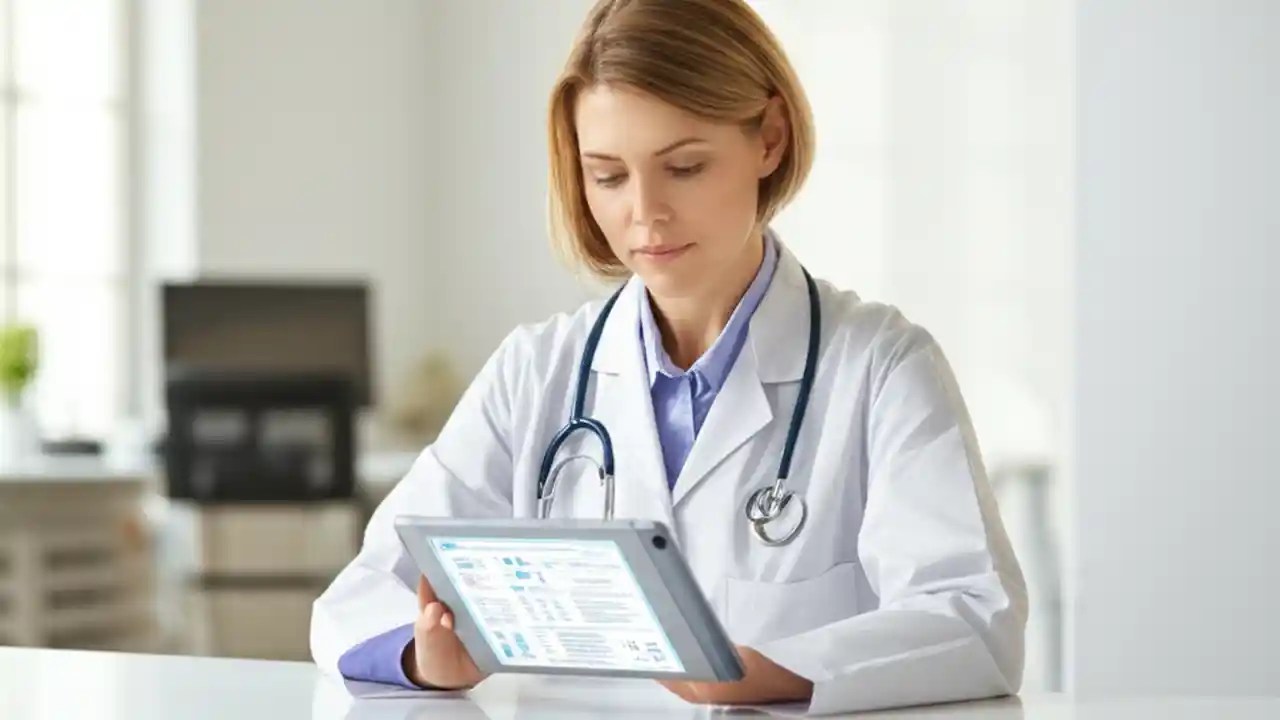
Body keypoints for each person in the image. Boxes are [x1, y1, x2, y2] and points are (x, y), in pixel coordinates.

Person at [312, 0, 1026, 712]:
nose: (644, 214)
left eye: (683, 166)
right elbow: (363, 594)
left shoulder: (880, 368)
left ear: (769, 139)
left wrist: (770, 671)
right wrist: (423, 654)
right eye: (609, 176)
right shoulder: (535, 373)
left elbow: (973, 617)